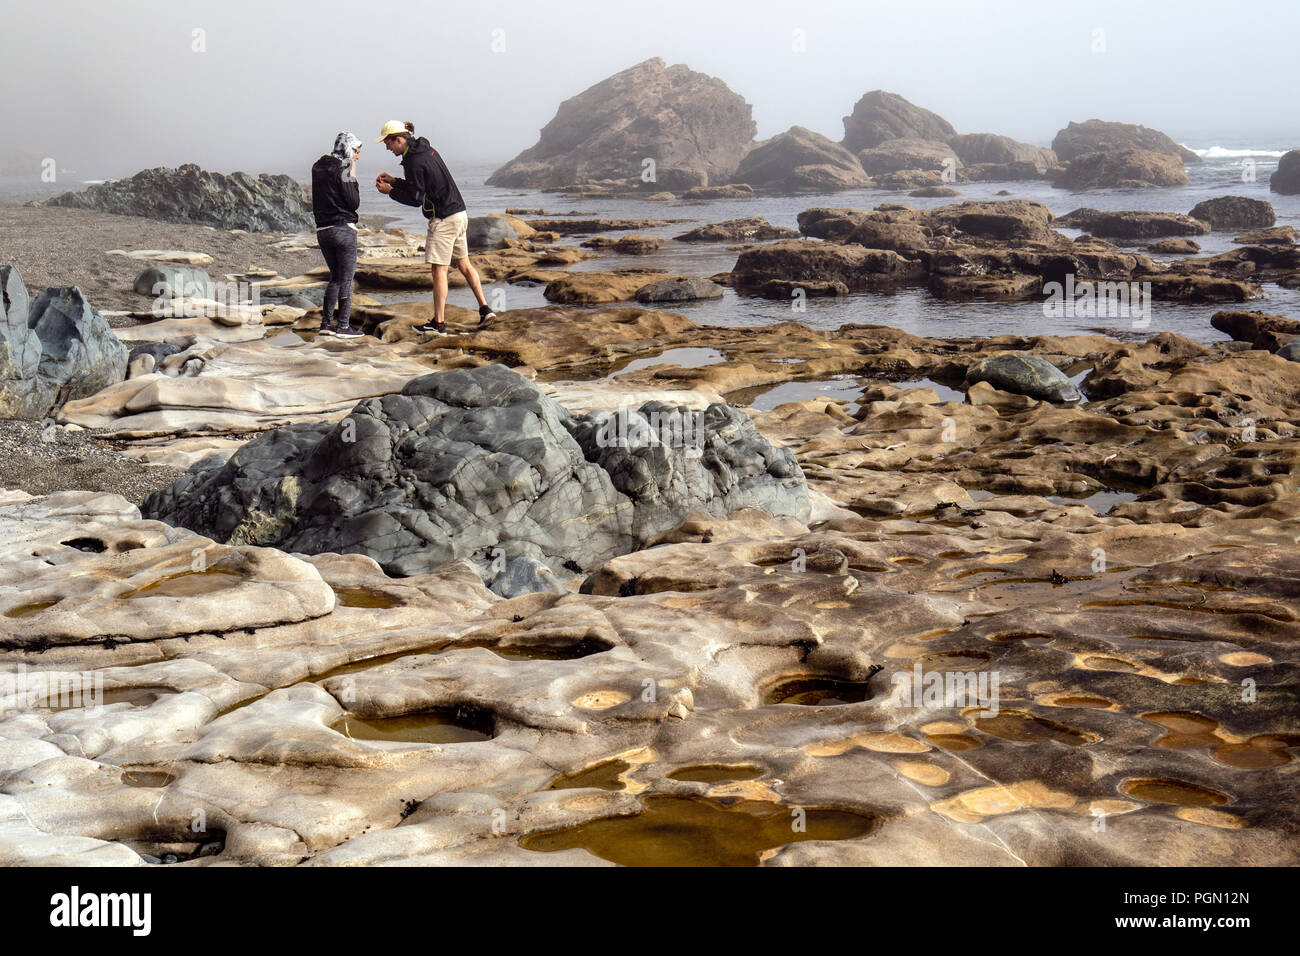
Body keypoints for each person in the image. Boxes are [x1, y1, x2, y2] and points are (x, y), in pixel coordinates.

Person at [374, 120, 496, 335]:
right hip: (459, 213)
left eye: (388, 143)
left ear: (399, 139)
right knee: (465, 265)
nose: (386, 147)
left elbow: (415, 198)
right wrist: (395, 181)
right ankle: (486, 309)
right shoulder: (426, 149)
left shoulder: (413, 161)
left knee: (438, 270)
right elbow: (420, 186)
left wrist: (389, 192)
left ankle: (438, 324)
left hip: (444, 220)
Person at [311, 132, 364, 338]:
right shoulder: (344, 167)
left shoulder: (318, 167)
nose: (358, 156)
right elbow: (354, 202)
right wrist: (353, 174)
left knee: (335, 277)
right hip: (343, 228)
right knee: (347, 279)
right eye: (357, 151)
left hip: (322, 230)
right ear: (350, 148)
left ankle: (326, 323)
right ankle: (343, 326)